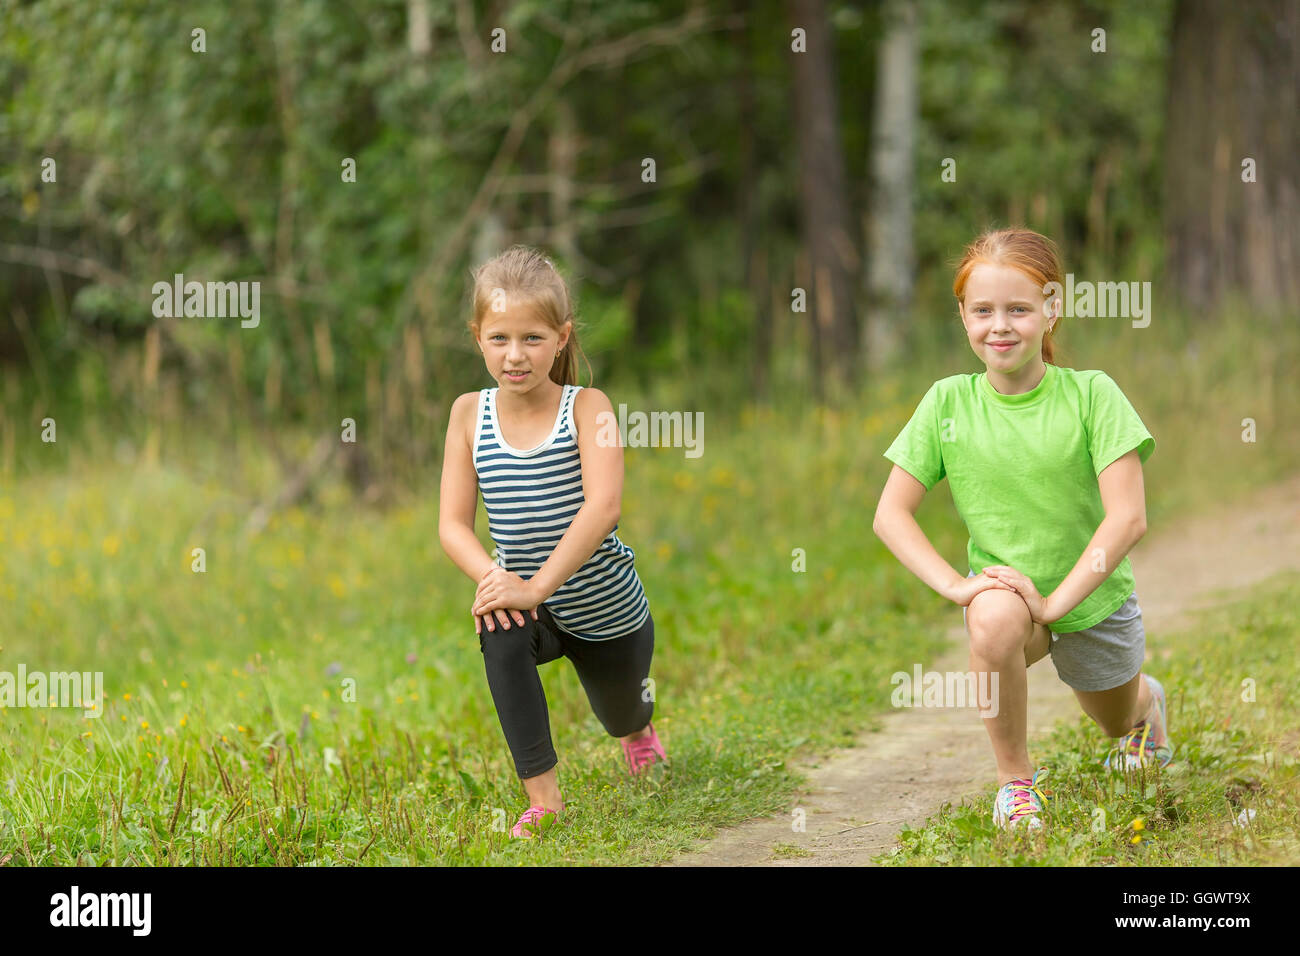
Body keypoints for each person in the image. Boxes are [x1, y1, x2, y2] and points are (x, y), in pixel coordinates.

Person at [872, 227, 1171, 830]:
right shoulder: (948, 404)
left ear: (1051, 310)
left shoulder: (1091, 395)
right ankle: (1016, 783)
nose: (999, 326)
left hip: (1089, 599)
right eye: (982, 310)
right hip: (1010, 595)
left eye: (1018, 309)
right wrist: (961, 587)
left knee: (1116, 720)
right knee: (990, 619)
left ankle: (1148, 708)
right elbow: (890, 515)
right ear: (962, 316)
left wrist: (1055, 603)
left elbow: (1128, 517)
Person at [438, 245, 665, 839]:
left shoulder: (589, 407)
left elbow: (604, 508)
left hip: (604, 607)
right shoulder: (468, 415)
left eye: (533, 338)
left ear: (562, 337)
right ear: (478, 337)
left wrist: (536, 585)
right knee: (498, 628)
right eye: (500, 338)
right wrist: (496, 582)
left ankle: (638, 736)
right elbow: (453, 526)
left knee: (623, 713)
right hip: (527, 604)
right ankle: (545, 799)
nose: (516, 356)